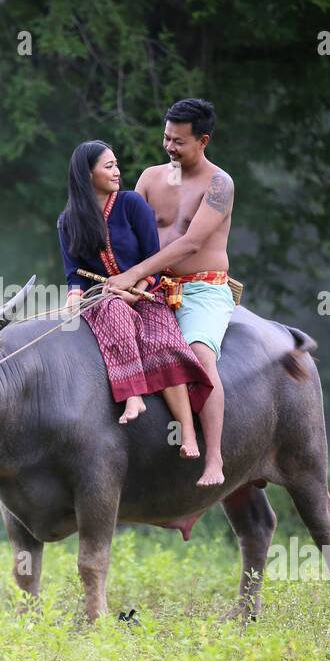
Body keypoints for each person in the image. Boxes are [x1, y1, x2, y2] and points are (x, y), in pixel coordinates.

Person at [102, 99, 235, 487]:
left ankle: (214, 459)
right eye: (165, 137)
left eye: (179, 141)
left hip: (201, 289)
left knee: (199, 356)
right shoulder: (150, 177)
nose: (169, 147)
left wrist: (135, 274)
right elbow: (127, 234)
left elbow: (192, 243)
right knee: (107, 330)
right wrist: (128, 280)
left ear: (203, 140)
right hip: (151, 286)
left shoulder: (219, 184)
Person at [58, 140, 213, 457]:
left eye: (116, 165)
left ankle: (188, 435)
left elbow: (153, 260)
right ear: (87, 175)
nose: (118, 172)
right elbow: (75, 274)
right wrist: (73, 299)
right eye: (109, 166)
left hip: (147, 292)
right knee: (114, 310)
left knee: (163, 343)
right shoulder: (68, 221)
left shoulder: (131, 204)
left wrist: (135, 286)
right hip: (103, 299)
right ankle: (134, 396)